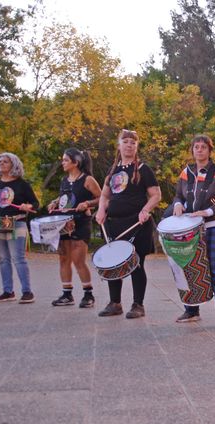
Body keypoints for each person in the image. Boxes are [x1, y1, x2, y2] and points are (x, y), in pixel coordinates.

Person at [95, 129, 161, 319]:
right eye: (126, 141)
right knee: (112, 264)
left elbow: (156, 195)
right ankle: (115, 303)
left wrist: (145, 210)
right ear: (119, 145)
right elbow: (105, 195)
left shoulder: (143, 169)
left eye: (133, 142)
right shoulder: (113, 170)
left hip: (137, 225)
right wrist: (101, 210)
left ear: (136, 146)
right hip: (114, 224)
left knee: (136, 264)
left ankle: (138, 305)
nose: (129, 145)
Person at [172, 134, 215, 327]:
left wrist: (208, 211)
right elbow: (178, 196)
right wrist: (177, 204)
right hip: (190, 226)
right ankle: (192, 310)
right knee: (190, 267)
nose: (199, 150)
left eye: (203, 147)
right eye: (196, 147)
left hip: (214, 224)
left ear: (209, 150)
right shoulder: (186, 172)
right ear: (192, 150)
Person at [47, 148, 101, 308]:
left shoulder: (88, 180)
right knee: (63, 258)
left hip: (81, 223)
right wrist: (55, 202)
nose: (62, 163)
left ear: (75, 162)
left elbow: (102, 197)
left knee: (78, 260)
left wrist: (88, 204)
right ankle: (67, 294)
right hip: (64, 224)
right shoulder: (64, 180)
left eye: (65, 160)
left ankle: (88, 294)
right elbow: (66, 196)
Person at [0, 152, 38, 303]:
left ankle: (27, 292)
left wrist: (28, 206)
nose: (1, 164)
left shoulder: (22, 184)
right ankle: (8, 291)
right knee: (3, 259)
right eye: (0, 162)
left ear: (14, 164)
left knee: (18, 258)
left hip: (17, 221)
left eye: (5, 161)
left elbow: (36, 204)